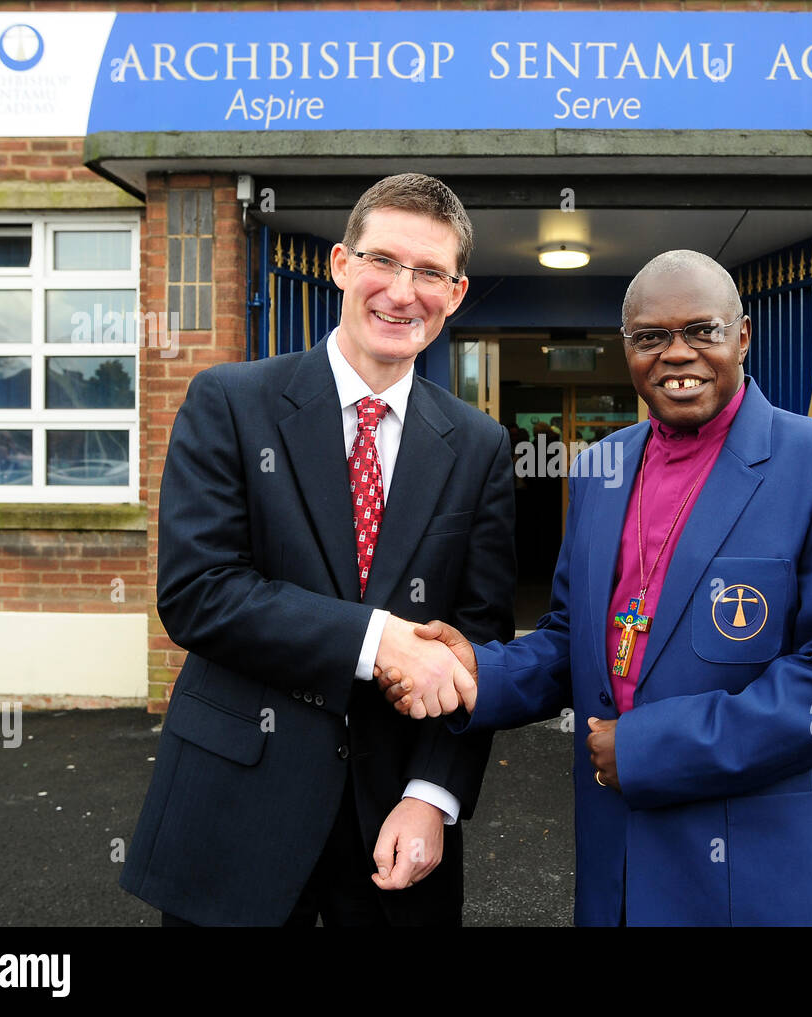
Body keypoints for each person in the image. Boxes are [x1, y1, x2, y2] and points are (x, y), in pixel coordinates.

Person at [381, 250, 812, 926]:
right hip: (617, 865)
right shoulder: (600, 467)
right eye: (651, 337)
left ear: (742, 336)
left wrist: (651, 746)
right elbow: (575, 637)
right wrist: (481, 672)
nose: (677, 354)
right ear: (626, 347)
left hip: (752, 871)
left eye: (702, 331)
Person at [119, 173, 515, 926]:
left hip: (394, 829)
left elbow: (480, 636)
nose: (403, 292)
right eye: (383, 261)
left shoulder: (480, 444)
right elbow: (200, 592)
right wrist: (379, 642)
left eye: (430, 272)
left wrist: (433, 795)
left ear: (456, 293)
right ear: (340, 264)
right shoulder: (229, 403)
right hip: (237, 810)